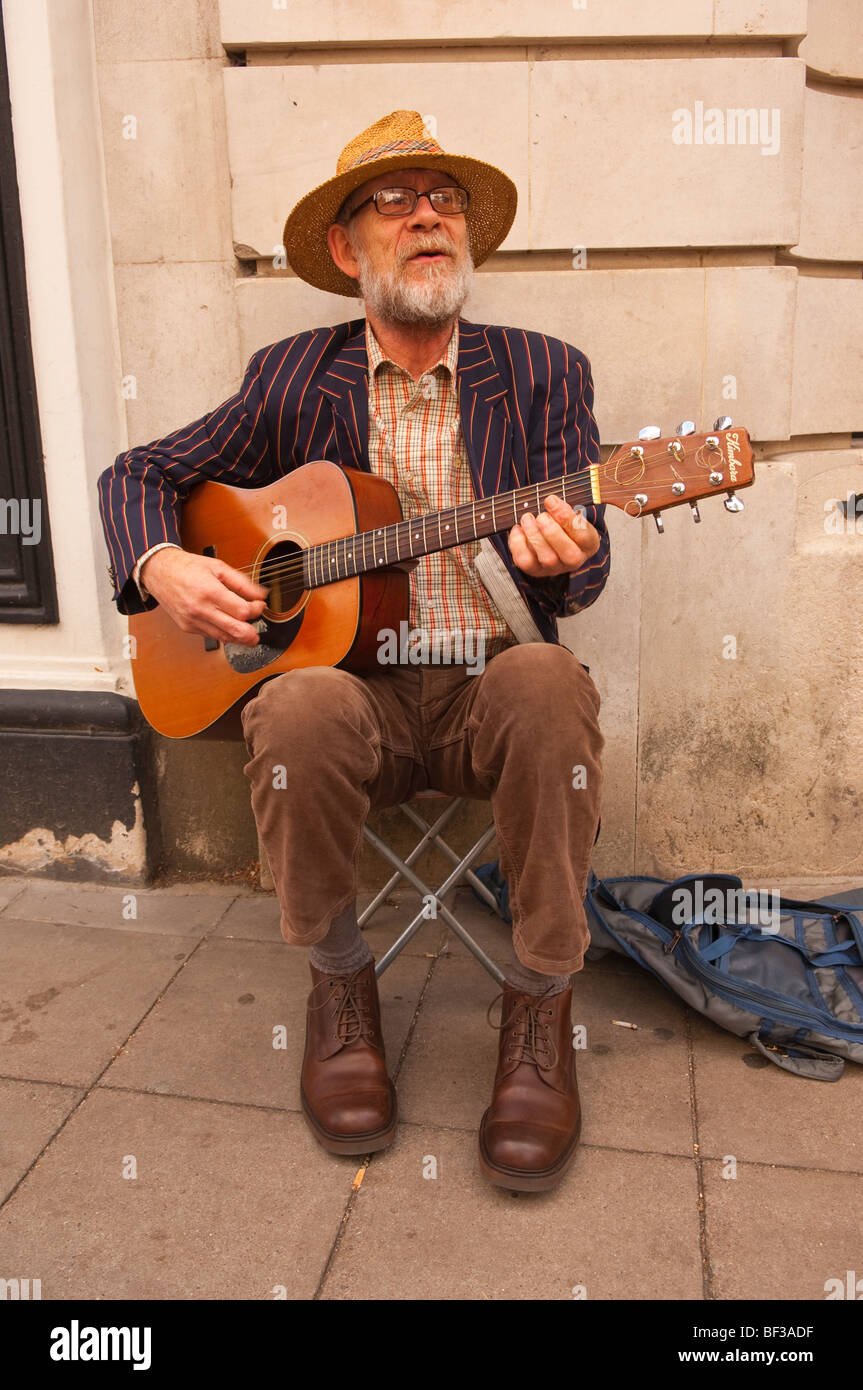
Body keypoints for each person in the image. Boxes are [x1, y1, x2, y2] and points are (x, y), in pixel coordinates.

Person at [98, 110, 610, 1193]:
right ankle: (340, 989)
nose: (427, 213)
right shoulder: (289, 378)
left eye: (444, 197)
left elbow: (584, 571)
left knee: (549, 678)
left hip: (488, 691)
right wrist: (164, 568)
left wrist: (567, 553)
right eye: (394, 199)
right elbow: (135, 473)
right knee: (293, 708)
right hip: (355, 705)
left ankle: (538, 1009)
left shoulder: (542, 372)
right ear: (345, 250)